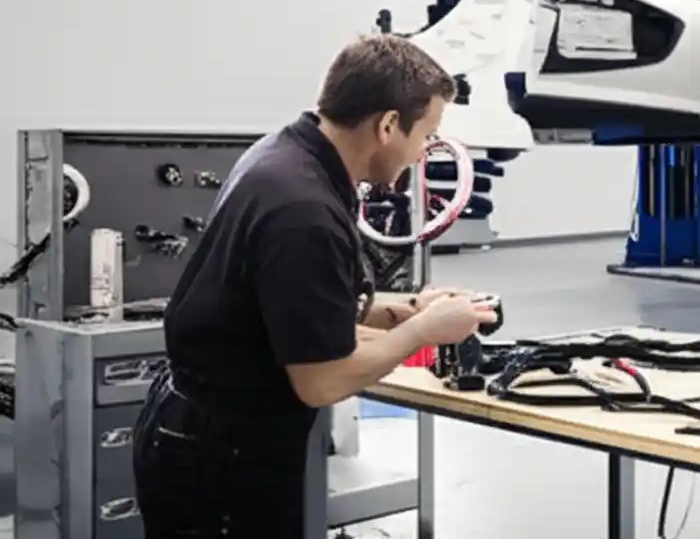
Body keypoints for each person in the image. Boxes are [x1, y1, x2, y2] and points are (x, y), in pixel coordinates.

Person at [132, 34, 497, 538]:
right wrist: (424, 333)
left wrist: (409, 309)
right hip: (222, 457)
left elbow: (293, 301)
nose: (421, 155)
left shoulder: (287, 156)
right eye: (425, 135)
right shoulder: (304, 212)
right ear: (389, 125)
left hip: (200, 431)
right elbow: (321, 381)